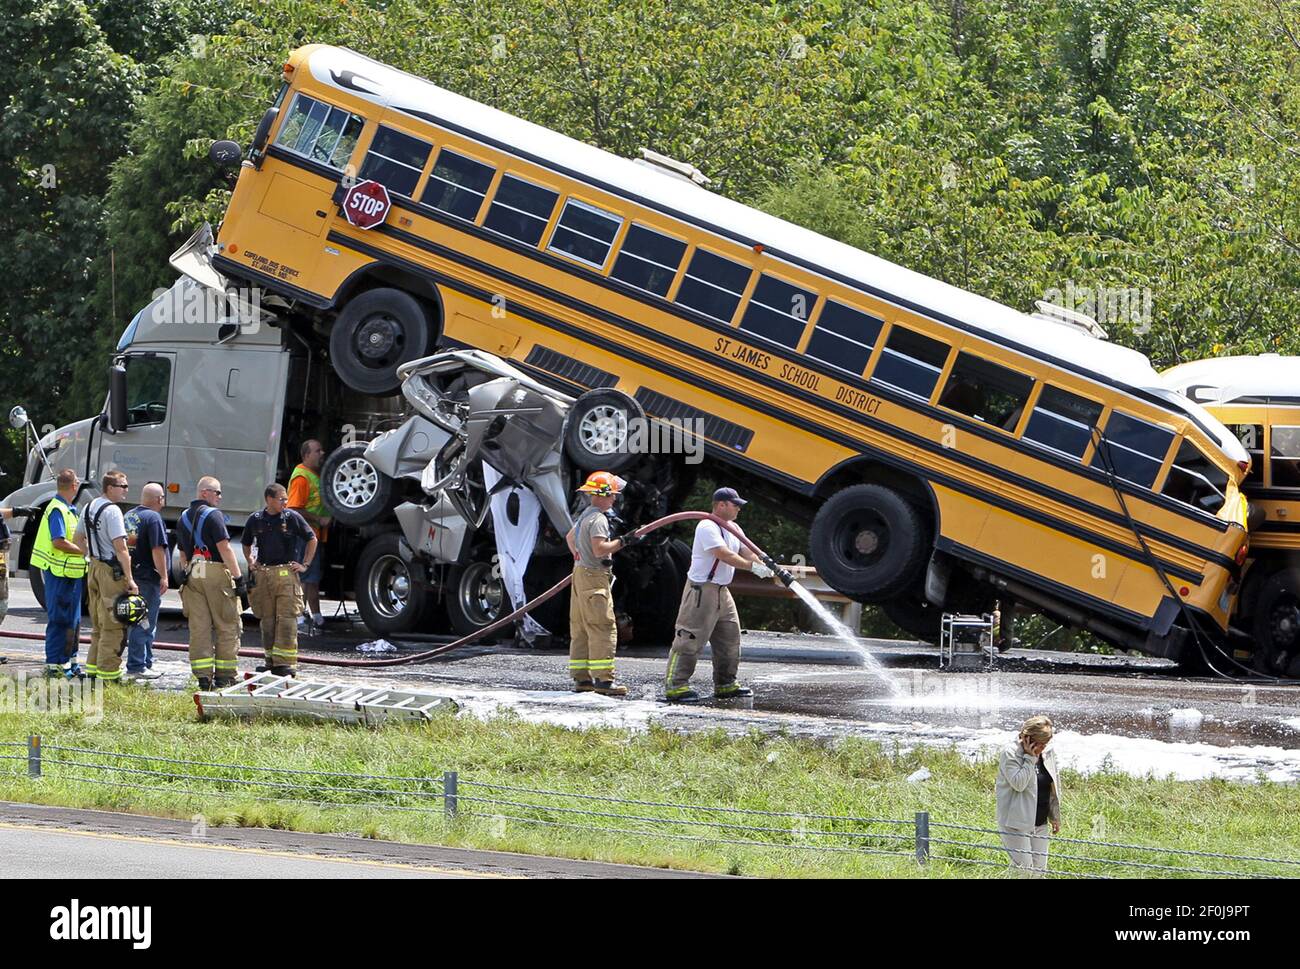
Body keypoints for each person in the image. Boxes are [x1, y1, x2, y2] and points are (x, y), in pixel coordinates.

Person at [663, 487, 774, 704]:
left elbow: (747, 550)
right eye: (736, 504)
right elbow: (722, 554)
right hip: (701, 590)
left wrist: (764, 565)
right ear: (721, 505)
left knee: (730, 639)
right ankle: (675, 686)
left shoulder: (733, 527)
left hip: (722, 591)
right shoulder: (706, 526)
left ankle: (725, 684)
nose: (739, 509)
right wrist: (751, 568)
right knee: (689, 639)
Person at [564, 471, 638, 697]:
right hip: (594, 577)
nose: (615, 499)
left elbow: (569, 538)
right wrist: (624, 541)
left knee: (581, 629)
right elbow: (599, 550)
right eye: (612, 495)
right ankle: (604, 681)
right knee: (602, 627)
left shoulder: (586, 515)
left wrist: (579, 557)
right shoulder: (599, 520)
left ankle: (582, 679)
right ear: (602, 495)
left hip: (580, 575)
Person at [177, 476, 246, 690]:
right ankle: (225, 677)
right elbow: (225, 548)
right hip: (215, 572)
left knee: (200, 627)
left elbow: (181, 553)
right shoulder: (214, 515)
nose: (220, 497)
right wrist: (238, 578)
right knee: (227, 625)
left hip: (193, 573)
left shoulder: (183, 517)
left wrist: (186, 573)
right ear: (204, 493)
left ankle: (203, 677)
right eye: (217, 492)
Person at [242, 483, 317, 677]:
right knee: (267, 620)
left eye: (286, 499)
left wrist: (305, 564)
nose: (285, 502)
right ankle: (271, 661)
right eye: (281, 499)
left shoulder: (292, 518)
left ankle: (285, 664)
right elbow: (246, 543)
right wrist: (251, 561)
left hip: (286, 574)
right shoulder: (256, 519)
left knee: (286, 620)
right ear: (269, 499)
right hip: (264, 575)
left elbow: (312, 539)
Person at [75, 471, 138, 683]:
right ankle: (109, 677)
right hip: (111, 571)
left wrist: (91, 557)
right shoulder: (112, 511)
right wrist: (130, 579)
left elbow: (77, 539)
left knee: (98, 625)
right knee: (113, 624)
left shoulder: (88, 507)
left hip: (93, 568)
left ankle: (92, 672)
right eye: (123, 486)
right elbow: (121, 549)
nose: (126, 490)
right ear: (109, 488)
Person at [29, 469, 86, 677]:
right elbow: (58, 541)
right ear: (73, 486)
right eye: (78, 482)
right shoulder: (57, 509)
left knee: (74, 622)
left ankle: (70, 664)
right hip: (59, 574)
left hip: (71, 575)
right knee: (60, 620)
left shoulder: (70, 509)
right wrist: (83, 550)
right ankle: (54, 667)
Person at [996, 715, 1062, 876]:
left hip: (1040, 822)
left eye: (1046, 742)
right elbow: (1019, 784)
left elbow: (1052, 786)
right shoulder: (1010, 753)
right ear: (1027, 738)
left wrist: (1055, 815)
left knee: (1039, 872)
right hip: (1016, 822)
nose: (1043, 747)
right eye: (1040, 743)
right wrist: (1030, 758)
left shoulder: (1048, 752)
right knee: (1024, 871)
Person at [123, 483, 169, 682]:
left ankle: (146, 661)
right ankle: (137, 665)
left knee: (138, 620)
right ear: (159, 499)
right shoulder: (154, 518)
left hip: (130, 575)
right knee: (143, 623)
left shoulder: (129, 515)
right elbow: (157, 550)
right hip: (146, 578)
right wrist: (165, 576)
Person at [287, 439, 330, 630]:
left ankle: (317, 614)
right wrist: (318, 520)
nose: (322, 453)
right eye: (317, 451)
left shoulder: (313, 475)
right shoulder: (301, 478)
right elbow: (294, 509)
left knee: (312, 578)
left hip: (314, 536)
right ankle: (298, 617)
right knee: (304, 577)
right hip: (304, 536)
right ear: (306, 455)